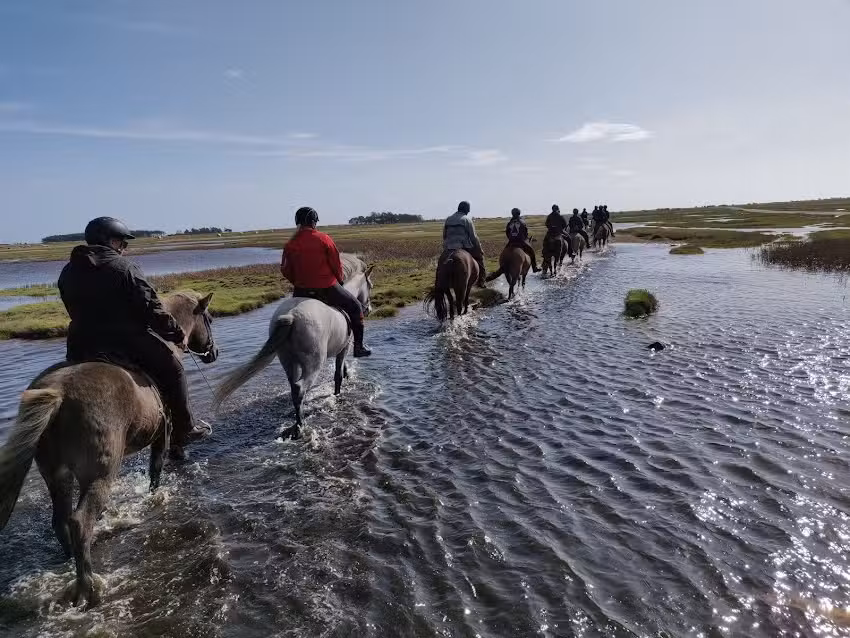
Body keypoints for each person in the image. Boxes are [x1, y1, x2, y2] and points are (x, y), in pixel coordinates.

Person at [58, 216, 210, 461]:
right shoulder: (124, 267)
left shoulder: (68, 270)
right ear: (110, 241)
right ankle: (186, 428)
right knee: (174, 368)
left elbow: (71, 307)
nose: (124, 248)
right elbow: (152, 308)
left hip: (80, 343)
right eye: (122, 242)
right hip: (126, 340)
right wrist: (176, 333)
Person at [281, 206, 371, 357]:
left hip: (301, 291)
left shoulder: (290, 244)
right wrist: (340, 280)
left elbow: (285, 270)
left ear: (298, 222)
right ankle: (358, 347)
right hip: (327, 288)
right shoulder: (324, 238)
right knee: (356, 307)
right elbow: (336, 264)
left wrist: (297, 281)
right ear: (313, 222)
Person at [443, 201, 486, 286]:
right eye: (468, 210)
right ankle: (481, 281)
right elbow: (473, 237)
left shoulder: (448, 219)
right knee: (480, 259)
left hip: (449, 247)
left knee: (441, 263)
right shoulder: (467, 219)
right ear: (466, 210)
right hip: (463, 246)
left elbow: (444, 235)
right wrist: (479, 249)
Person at [504, 208, 541, 273]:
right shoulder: (522, 222)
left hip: (511, 242)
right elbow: (525, 232)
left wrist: (511, 239)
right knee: (531, 251)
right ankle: (534, 268)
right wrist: (524, 238)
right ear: (519, 213)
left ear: (512, 214)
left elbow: (507, 232)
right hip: (521, 241)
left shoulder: (509, 223)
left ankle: (503, 267)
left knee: (504, 252)